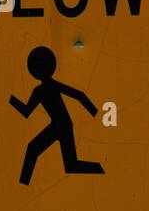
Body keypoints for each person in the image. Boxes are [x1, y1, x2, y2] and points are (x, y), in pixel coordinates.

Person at [9, 45, 104, 185]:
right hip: (59, 125)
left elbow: (79, 95)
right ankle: (22, 184)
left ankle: (100, 168)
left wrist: (96, 113)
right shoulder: (40, 90)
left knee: (69, 165)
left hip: (63, 126)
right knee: (36, 150)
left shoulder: (45, 88)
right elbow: (27, 112)